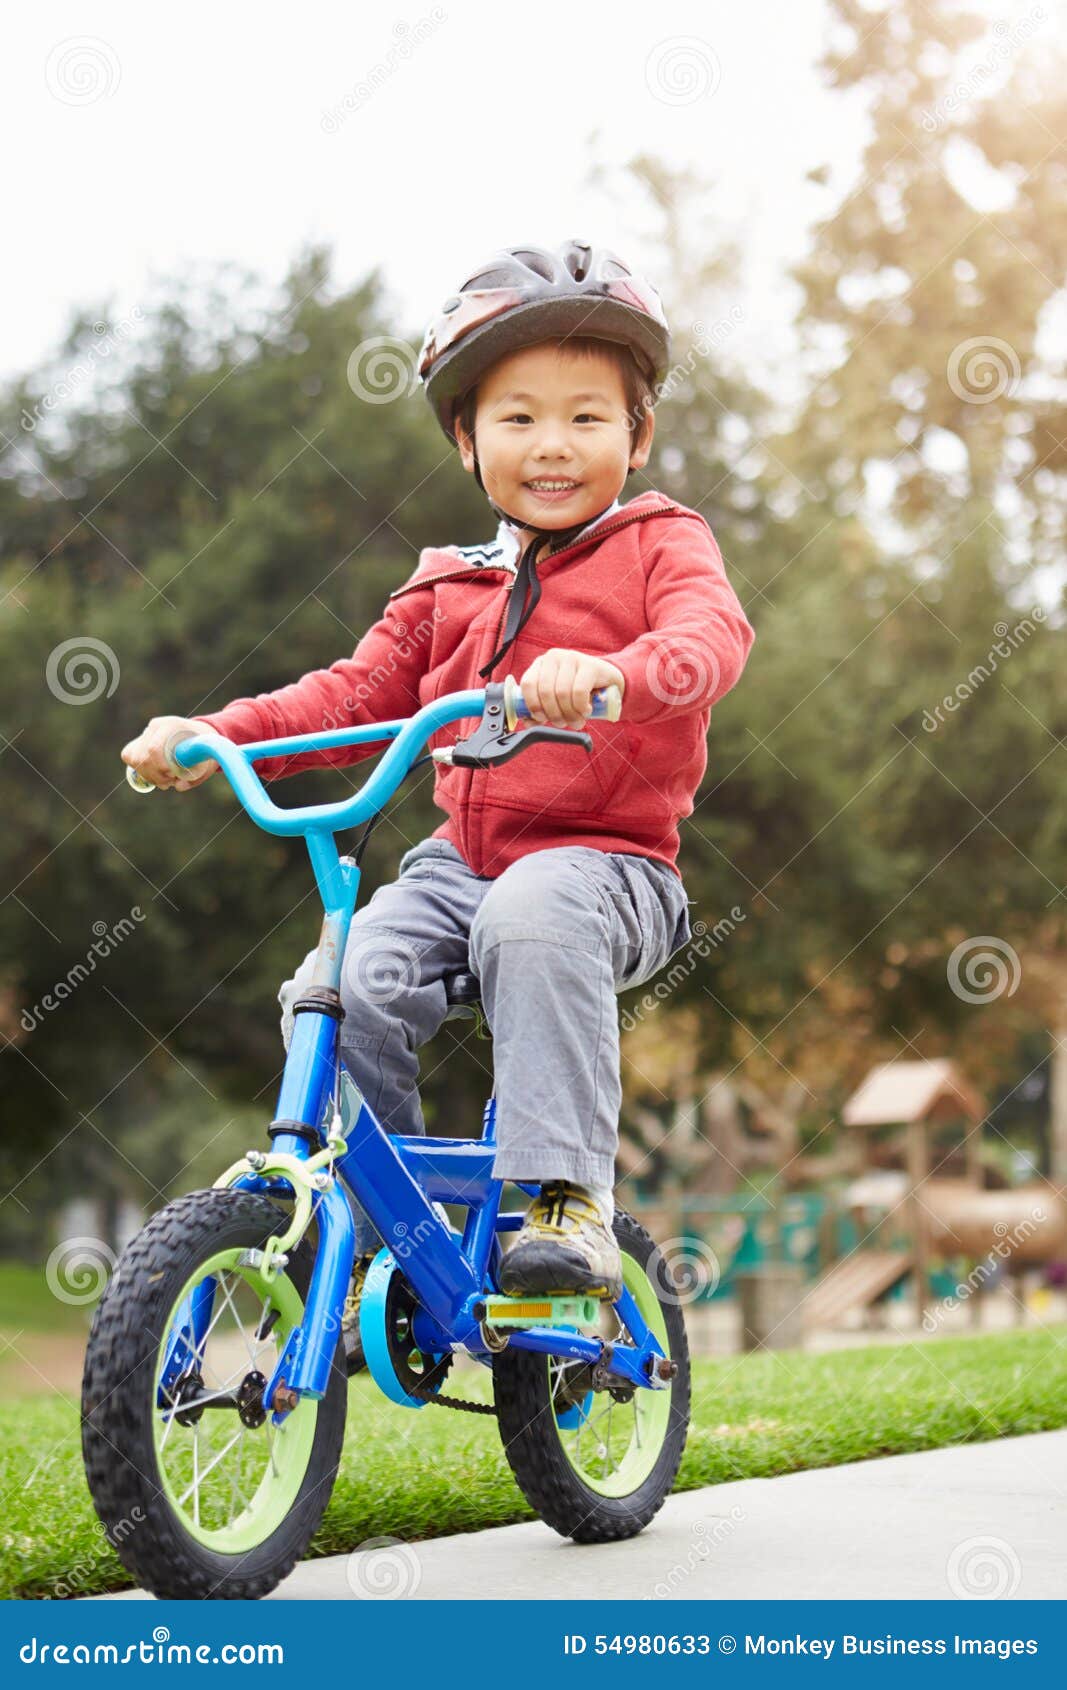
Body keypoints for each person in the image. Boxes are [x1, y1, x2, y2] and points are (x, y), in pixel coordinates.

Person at [121, 238, 755, 1325]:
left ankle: (562, 1198)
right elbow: (349, 696)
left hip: (608, 869)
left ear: (636, 435)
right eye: (516, 418)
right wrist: (207, 731)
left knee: (533, 905)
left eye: (585, 417)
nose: (551, 445)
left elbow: (711, 643)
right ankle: (384, 1236)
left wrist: (608, 674)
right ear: (466, 441)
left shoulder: (661, 543)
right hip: (453, 864)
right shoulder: (448, 584)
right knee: (339, 974)